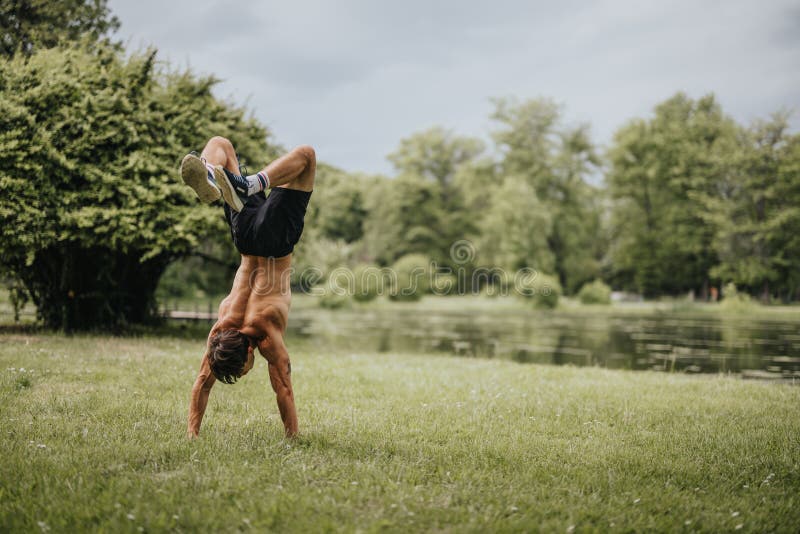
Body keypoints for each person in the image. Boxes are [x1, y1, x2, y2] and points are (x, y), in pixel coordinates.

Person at [181, 136, 315, 438]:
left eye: (242, 369)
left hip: (274, 243)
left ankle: (250, 183)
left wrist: (292, 438)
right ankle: (213, 173)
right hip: (244, 239)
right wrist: (192, 433)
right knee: (220, 144)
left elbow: (284, 389)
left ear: (250, 352)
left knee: (306, 156)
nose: (245, 373)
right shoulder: (220, 330)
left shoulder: (266, 334)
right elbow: (200, 384)